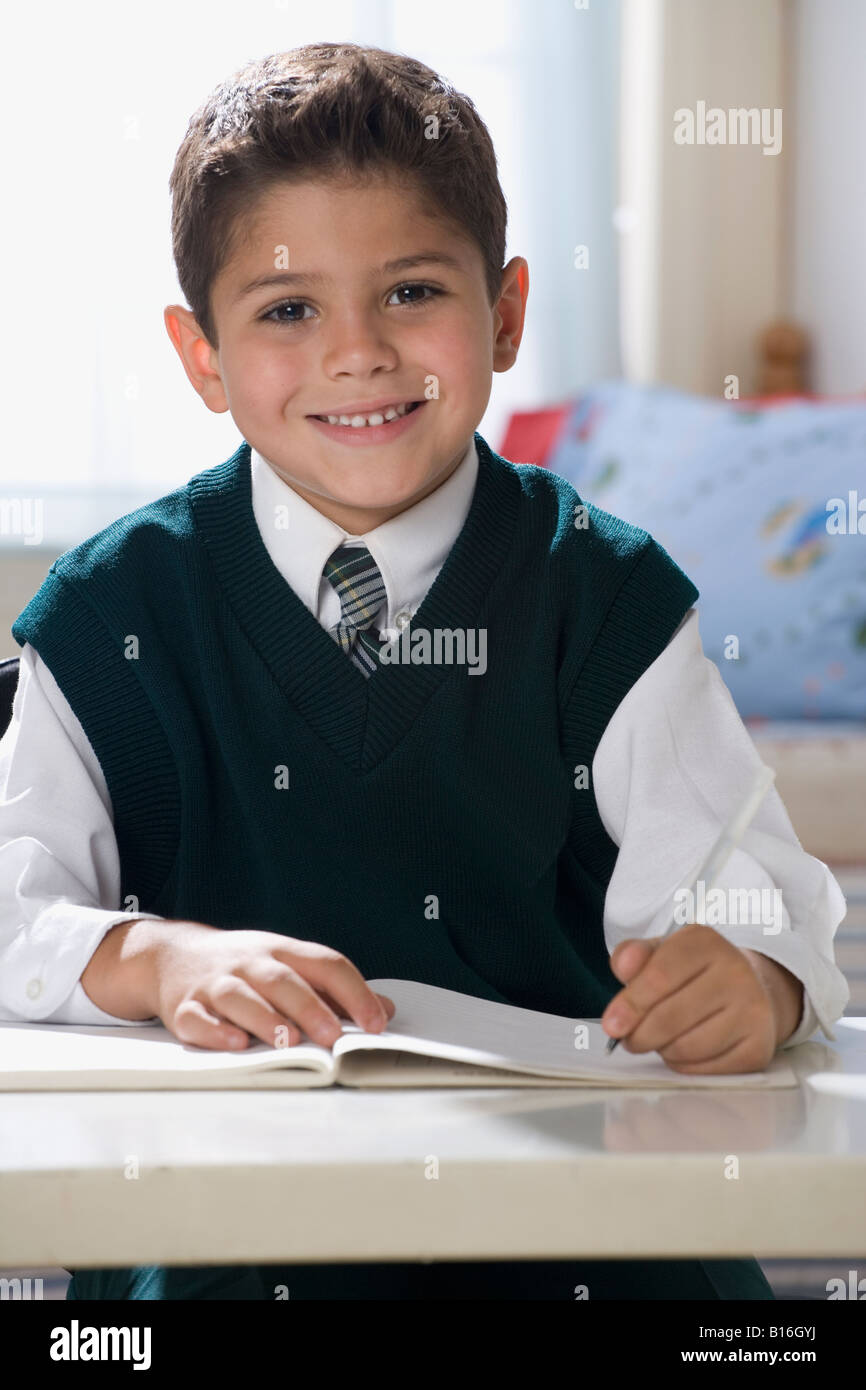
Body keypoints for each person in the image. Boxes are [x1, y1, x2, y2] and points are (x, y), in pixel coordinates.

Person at [2, 43, 848, 1300]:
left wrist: (755, 983)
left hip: (580, 1233)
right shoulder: (105, 610)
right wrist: (158, 959)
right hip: (228, 1230)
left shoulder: (602, 594)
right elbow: (15, 912)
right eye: (287, 309)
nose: (357, 352)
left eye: (409, 293)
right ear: (201, 355)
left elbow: (752, 895)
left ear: (504, 314)